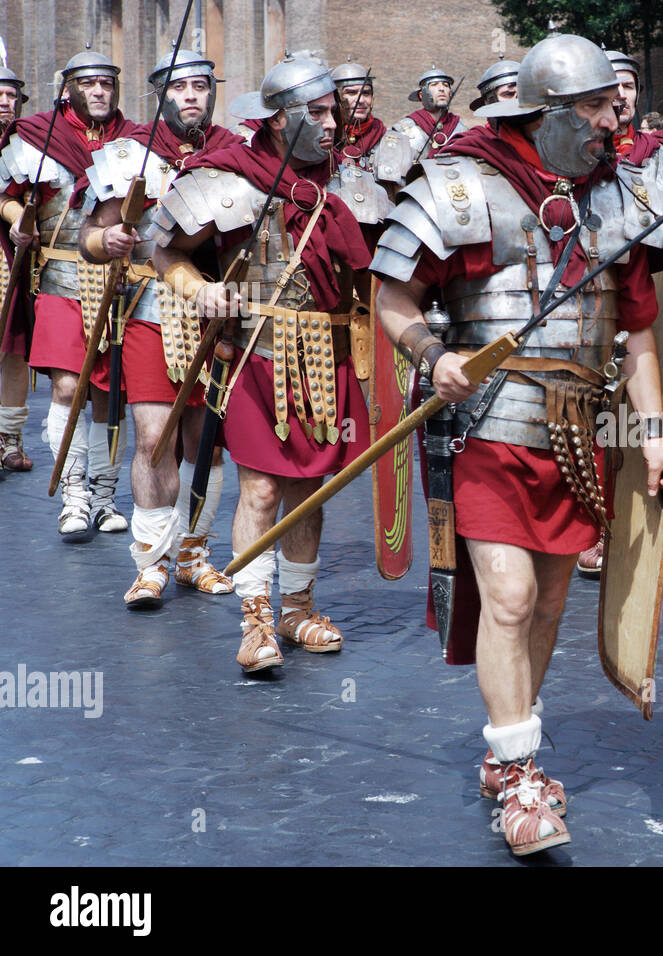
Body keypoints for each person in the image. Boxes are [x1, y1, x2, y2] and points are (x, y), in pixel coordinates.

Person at [371, 33, 663, 856]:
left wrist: (653, 435)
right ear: (547, 113)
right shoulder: (461, 184)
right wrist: (436, 359)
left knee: (546, 603)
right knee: (505, 600)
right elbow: (391, 298)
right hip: (486, 428)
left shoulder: (619, 198)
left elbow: (640, 336)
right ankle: (524, 771)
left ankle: (507, 753)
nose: (615, 121)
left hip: (579, 433)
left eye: (615, 106)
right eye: (598, 108)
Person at [150, 53, 381, 672]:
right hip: (259, 354)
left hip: (328, 358)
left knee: (310, 488)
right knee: (260, 488)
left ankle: (299, 608)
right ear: (279, 120)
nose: (334, 122)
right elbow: (163, 251)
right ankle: (256, 621)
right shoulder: (233, 178)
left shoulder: (349, 184)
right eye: (320, 111)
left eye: (336, 109)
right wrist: (201, 290)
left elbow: (378, 282)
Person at [78, 49, 245, 607]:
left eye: (201, 85)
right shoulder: (131, 154)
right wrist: (111, 242)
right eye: (180, 87)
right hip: (151, 309)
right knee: (154, 439)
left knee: (208, 444)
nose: (192, 96)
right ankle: (151, 560)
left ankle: (193, 554)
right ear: (161, 95)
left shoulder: (235, 153)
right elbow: (90, 238)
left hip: (219, 310)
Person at [0, 50, 140, 537]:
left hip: (122, 283)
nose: (99, 91)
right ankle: (75, 493)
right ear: (70, 89)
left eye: (106, 82)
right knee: (66, 387)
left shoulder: (137, 142)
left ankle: (105, 494)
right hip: (61, 278)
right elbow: (7, 195)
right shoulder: (39, 137)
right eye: (89, 83)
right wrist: (20, 223)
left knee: (109, 393)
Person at [0, 65, 33, 472]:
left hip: (19, 256)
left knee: (14, 348)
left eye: (10, 95)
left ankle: (8, 438)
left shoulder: (29, 144)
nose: (4, 103)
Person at [374, 62, 461, 188]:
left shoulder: (462, 130)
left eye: (445, 85)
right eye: (434, 85)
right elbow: (391, 182)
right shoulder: (402, 131)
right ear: (421, 94)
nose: (441, 88)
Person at [333, 60, 385, 173]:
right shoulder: (323, 138)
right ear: (336, 97)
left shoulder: (385, 139)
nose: (361, 100)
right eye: (351, 93)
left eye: (366, 93)